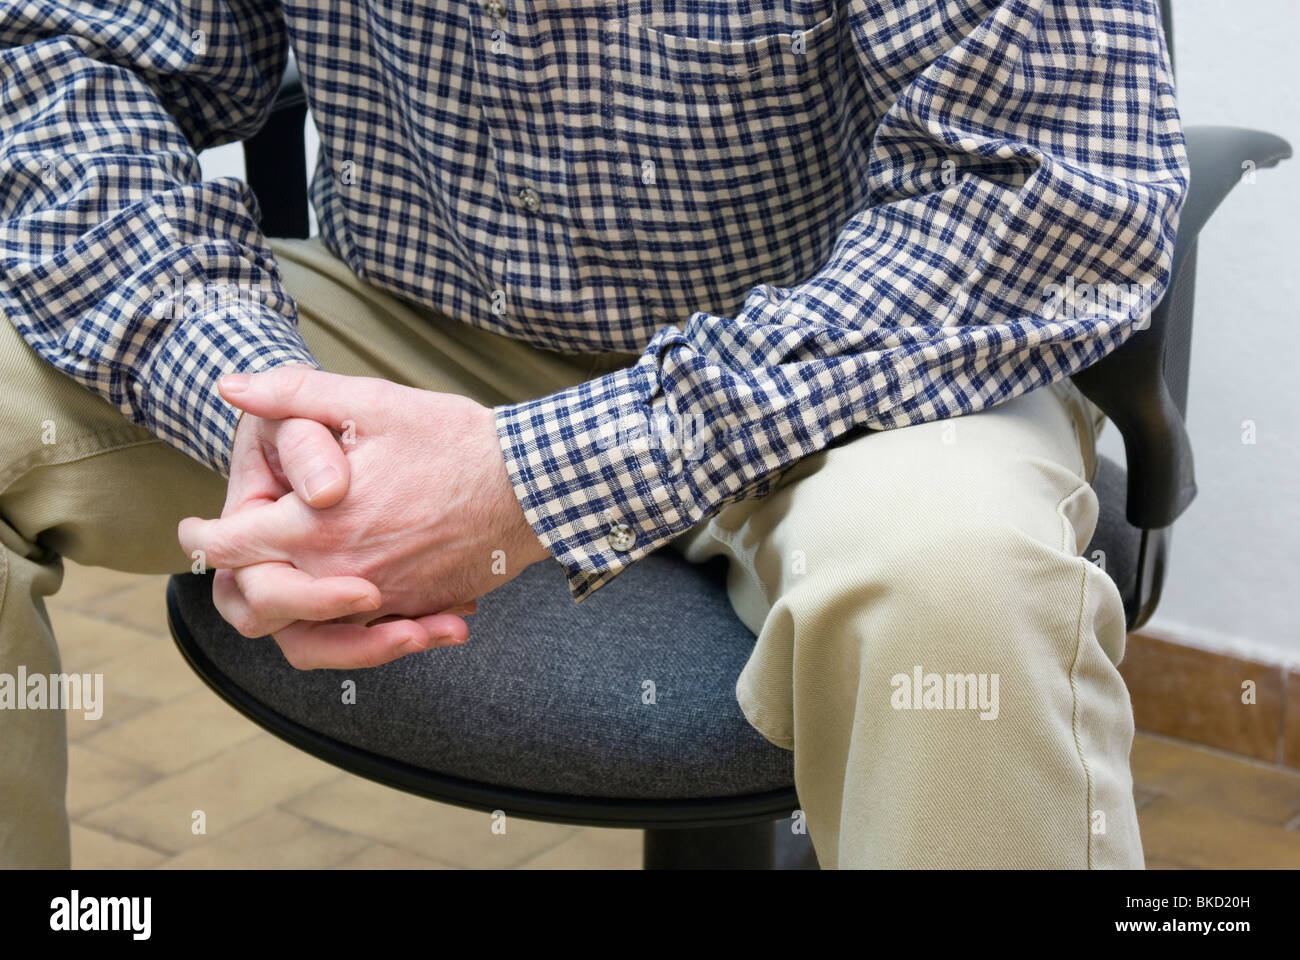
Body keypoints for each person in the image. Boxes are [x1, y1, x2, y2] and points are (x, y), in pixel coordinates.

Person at [0, 0, 1187, 868]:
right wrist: (252, 395)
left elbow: (1056, 191)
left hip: (838, 359)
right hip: (404, 331)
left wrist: (526, 478)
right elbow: (66, 49)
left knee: (954, 585)